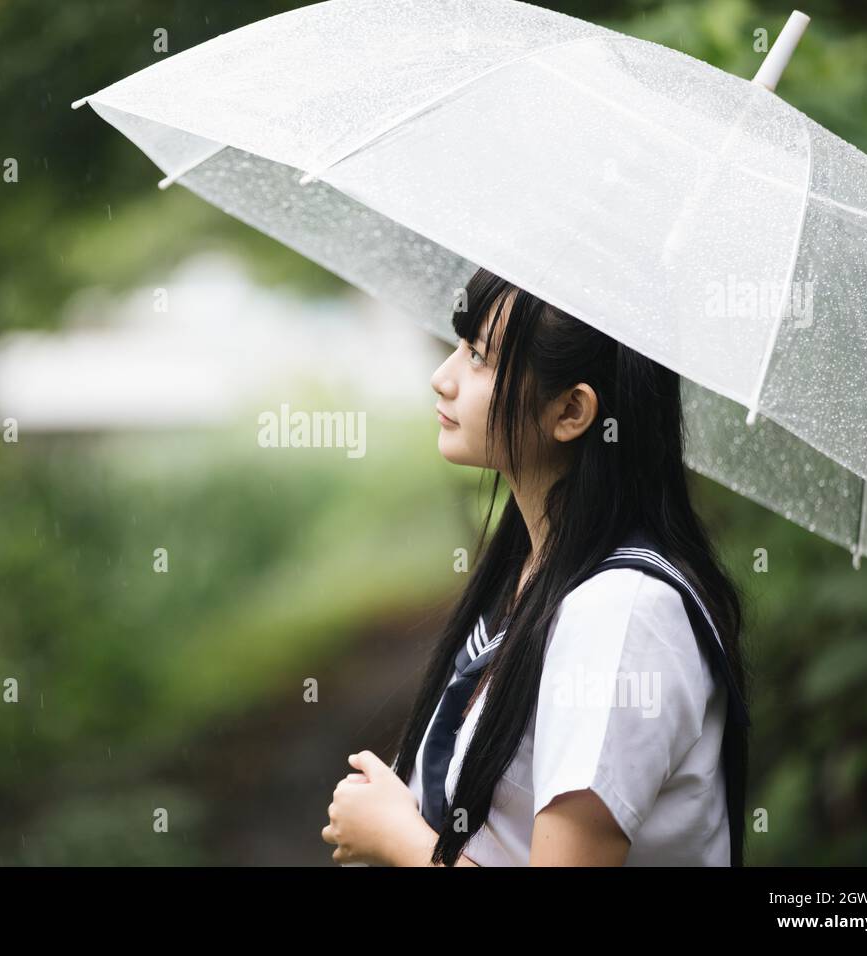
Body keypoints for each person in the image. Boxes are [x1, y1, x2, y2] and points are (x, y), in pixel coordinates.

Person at [321, 267, 751, 866]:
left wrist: (398, 838)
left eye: (479, 357)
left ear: (572, 411)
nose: (442, 378)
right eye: (460, 346)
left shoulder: (622, 614)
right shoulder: (537, 571)